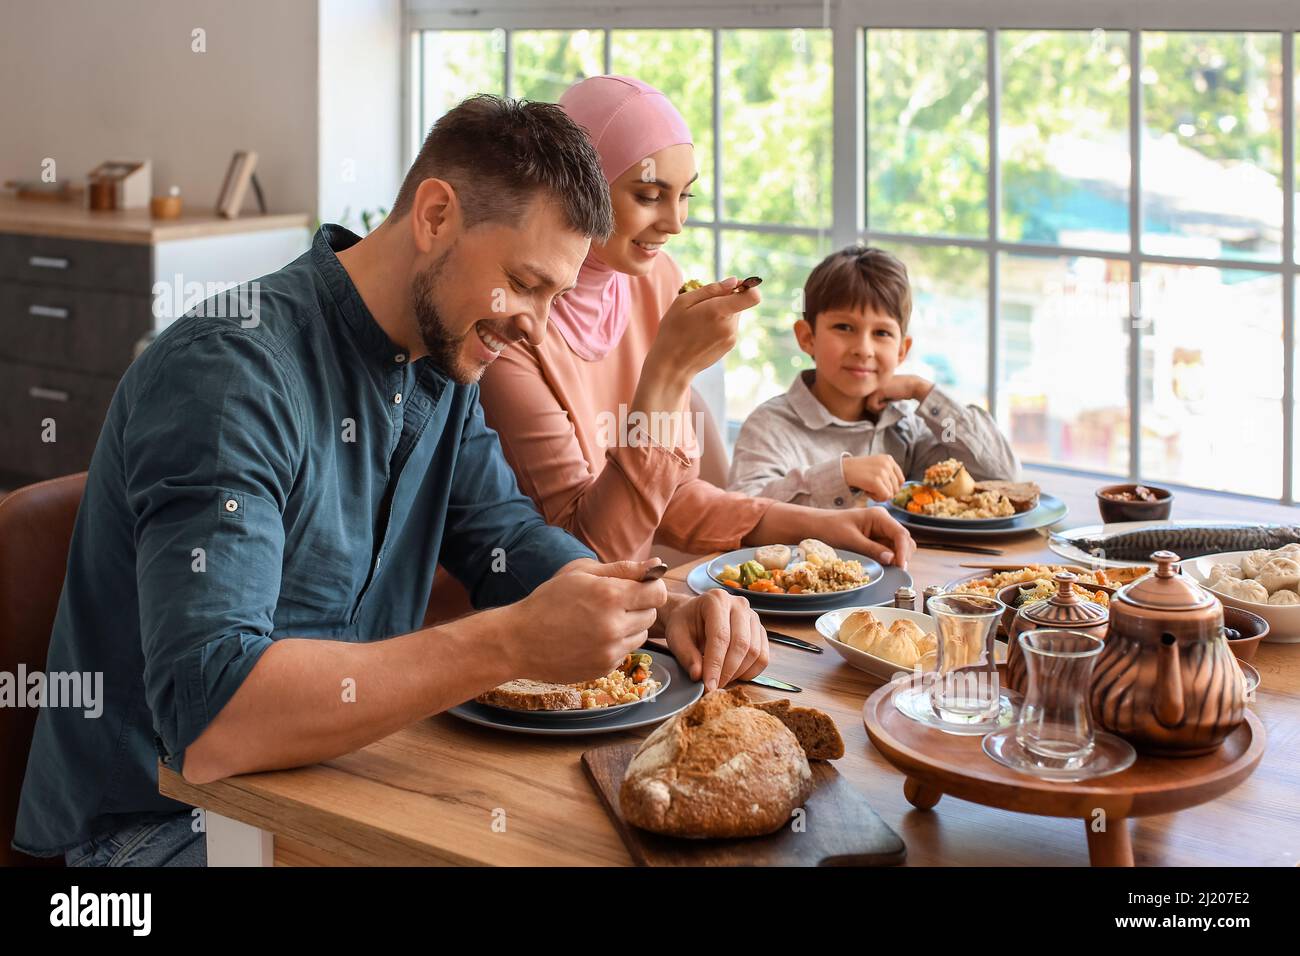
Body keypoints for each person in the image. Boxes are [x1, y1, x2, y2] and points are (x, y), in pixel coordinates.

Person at [13, 95, 766, 868]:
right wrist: (509, 641)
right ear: (435, 215)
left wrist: (651, 607)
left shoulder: (441, 361)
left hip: (338, 783)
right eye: (522, 282)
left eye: (555, 295)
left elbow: (505, 541)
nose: (535, 327)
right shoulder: (229, 374)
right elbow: (214, 723)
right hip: (162, 827)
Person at [473, 75, 914, 573]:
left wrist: (816, 524)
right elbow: (587, 556)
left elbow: (672, 495)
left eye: (685, 196)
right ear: (575, 188)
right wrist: (669, 373)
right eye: (648, 194)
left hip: (630, 615)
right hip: (531, 616)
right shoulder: (509, 324)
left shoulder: (655, 281)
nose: (675, 222)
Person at [728, 245, 1021, 507]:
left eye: (881, 333)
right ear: (807, 337)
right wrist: (841, 475)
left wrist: (922, 391)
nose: (863, 349)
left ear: (902, 351)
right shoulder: (770, 427)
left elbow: (1001, 476)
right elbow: (741, 515)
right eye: (844, 327)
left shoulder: (908, 427)